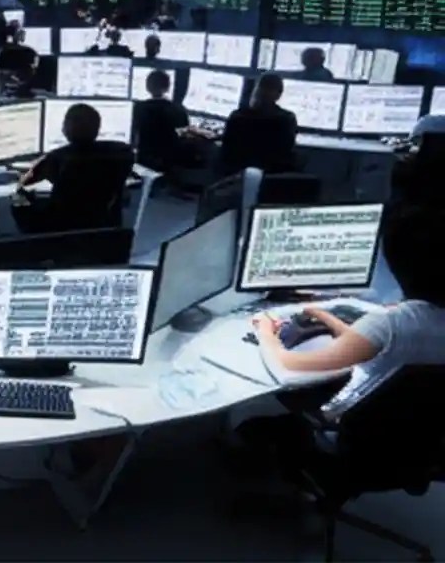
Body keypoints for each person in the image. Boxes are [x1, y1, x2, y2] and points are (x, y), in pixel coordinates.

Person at [239, 205, 445, 468]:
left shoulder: (394, 323)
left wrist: (265, 330)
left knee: (252, 417)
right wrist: (326, 317)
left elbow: (287, 364)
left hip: (347, 431)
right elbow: (373, 345)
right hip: (413, 436)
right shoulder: (402, 324)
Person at [15, 103, 135, 232]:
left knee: (17, 197)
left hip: (58, 229)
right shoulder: (122, 152)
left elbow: (24, 182)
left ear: (66, 129)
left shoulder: (57, 157)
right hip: (103, 228)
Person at [218, 73, 298, 175]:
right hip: (270, 179)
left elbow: (225, 150)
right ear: (279, 94)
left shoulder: (237, 116)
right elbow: (287, 151)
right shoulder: (287, 119)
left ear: (255, 90)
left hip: (235, 178)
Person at [133, 70, 195, 172]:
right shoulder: (178, 110)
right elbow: (186, 136)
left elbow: (135, 136)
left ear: (147, 87)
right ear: (168, 87)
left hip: (144, 162)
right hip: (171, 165)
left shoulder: (138, 108)